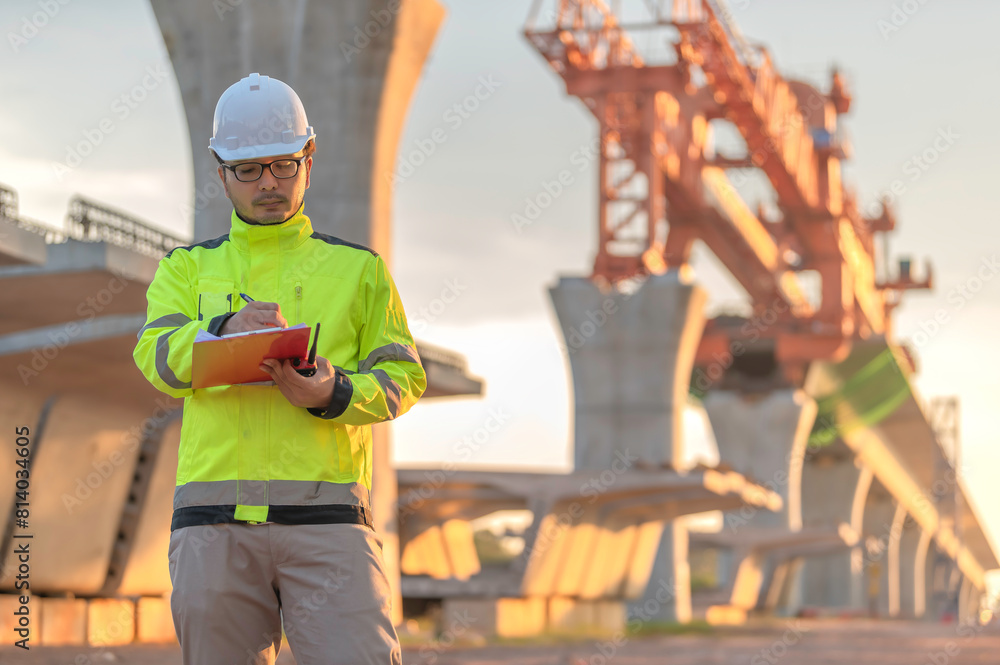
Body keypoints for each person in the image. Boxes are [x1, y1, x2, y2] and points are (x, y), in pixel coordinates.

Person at [133, 72, 426, 665]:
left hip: (330, 524)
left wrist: (335, 391)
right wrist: (218, 331)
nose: (268, 183)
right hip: (213, 527)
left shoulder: (360, 271)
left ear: (308, 159)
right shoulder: (186, 270)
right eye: (248, 169)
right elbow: (157, 359)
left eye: (283, 165)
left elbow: (405, 377)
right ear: (221, 173)